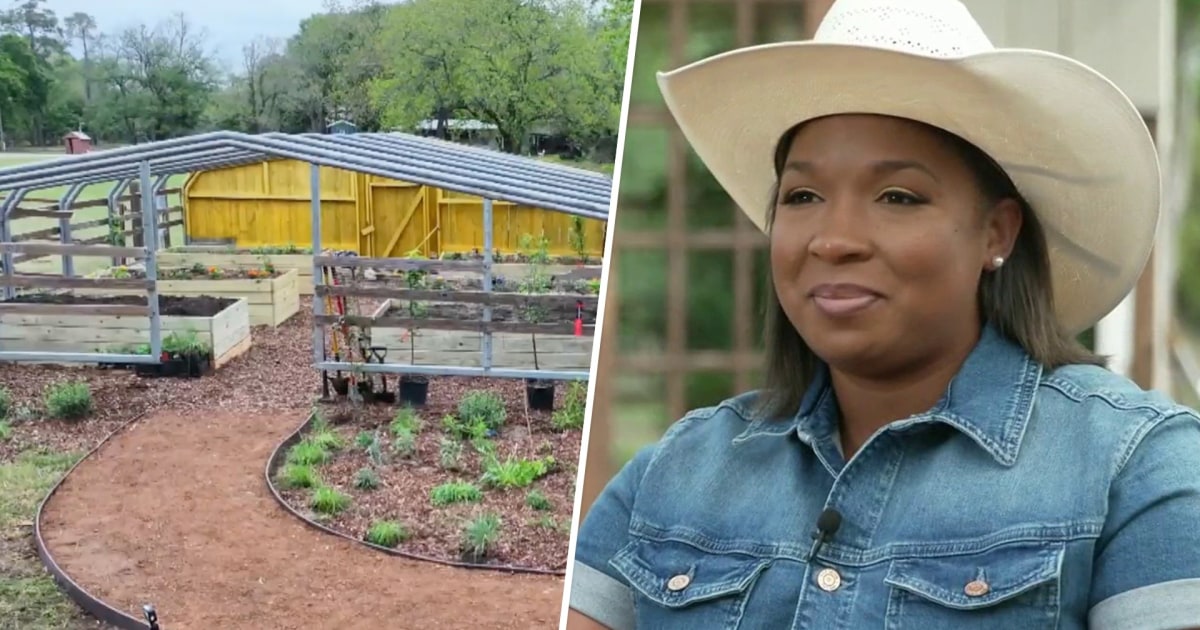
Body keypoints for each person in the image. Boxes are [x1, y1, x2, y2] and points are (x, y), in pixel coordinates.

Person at [566, 0, 1200, 628]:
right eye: (803, 195)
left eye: (897, 196)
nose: (834, 238)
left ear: (997, 233)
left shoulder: (1135, 467)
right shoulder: (671, 478)